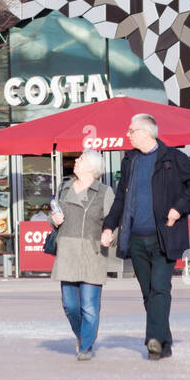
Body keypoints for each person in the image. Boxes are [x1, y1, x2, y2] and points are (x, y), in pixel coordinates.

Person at [101, 113, 190, 360]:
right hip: (136, 238)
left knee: (160, 287)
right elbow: (121, 199)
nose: (127, 134)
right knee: (149, 293)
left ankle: (152, 340)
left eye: (131, 130)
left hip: (164, 236)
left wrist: (178, 208)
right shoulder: (130, 161)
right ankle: (164, 340)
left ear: (146, 133)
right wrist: (109, 226)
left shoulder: (173, 158)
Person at [49, 150, 116, 360]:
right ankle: (82, 335)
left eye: (81, 159)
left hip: (92, 253)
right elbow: (54, 216)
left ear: (92, 168)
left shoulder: (105, 192)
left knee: (89, 306)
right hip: (67, 251)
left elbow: (113, 222)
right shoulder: (64, 187)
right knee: (70, 305)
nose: (76, 161)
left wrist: (109, 234)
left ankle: (86, 346)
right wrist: (54, 220)